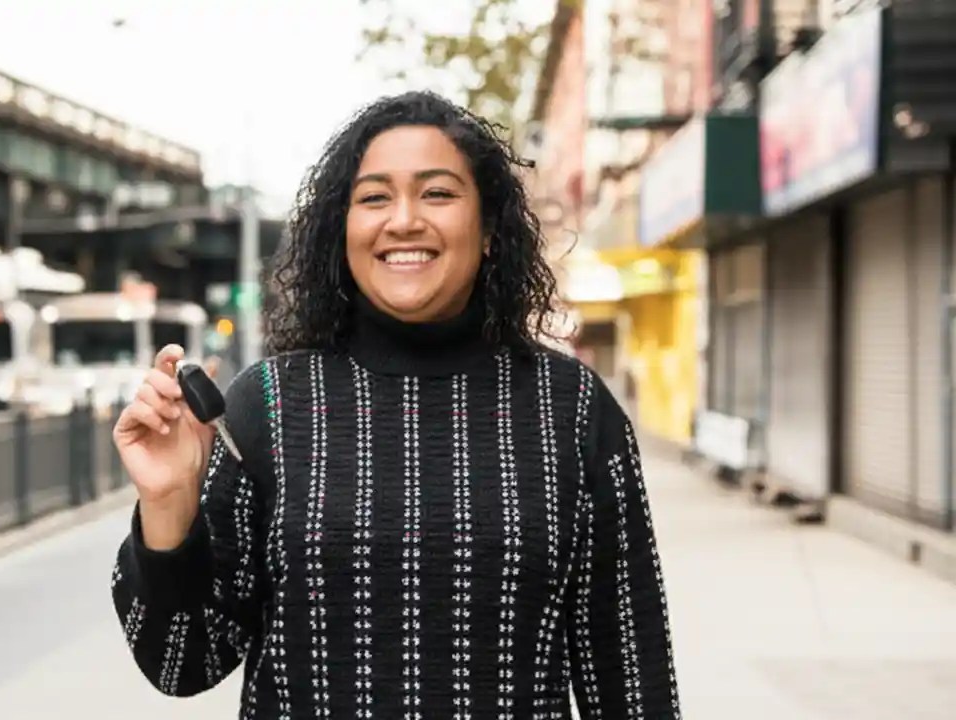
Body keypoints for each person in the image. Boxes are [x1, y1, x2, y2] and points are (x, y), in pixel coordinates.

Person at [110, 91, 681, 719]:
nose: (403, 219)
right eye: (375, 197)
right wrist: (167, 505)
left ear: (489, 230)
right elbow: (180, 663)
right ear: (342, 230)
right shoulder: (266, 405)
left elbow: (633, 677)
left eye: (437, 193)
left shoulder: (570, 409)